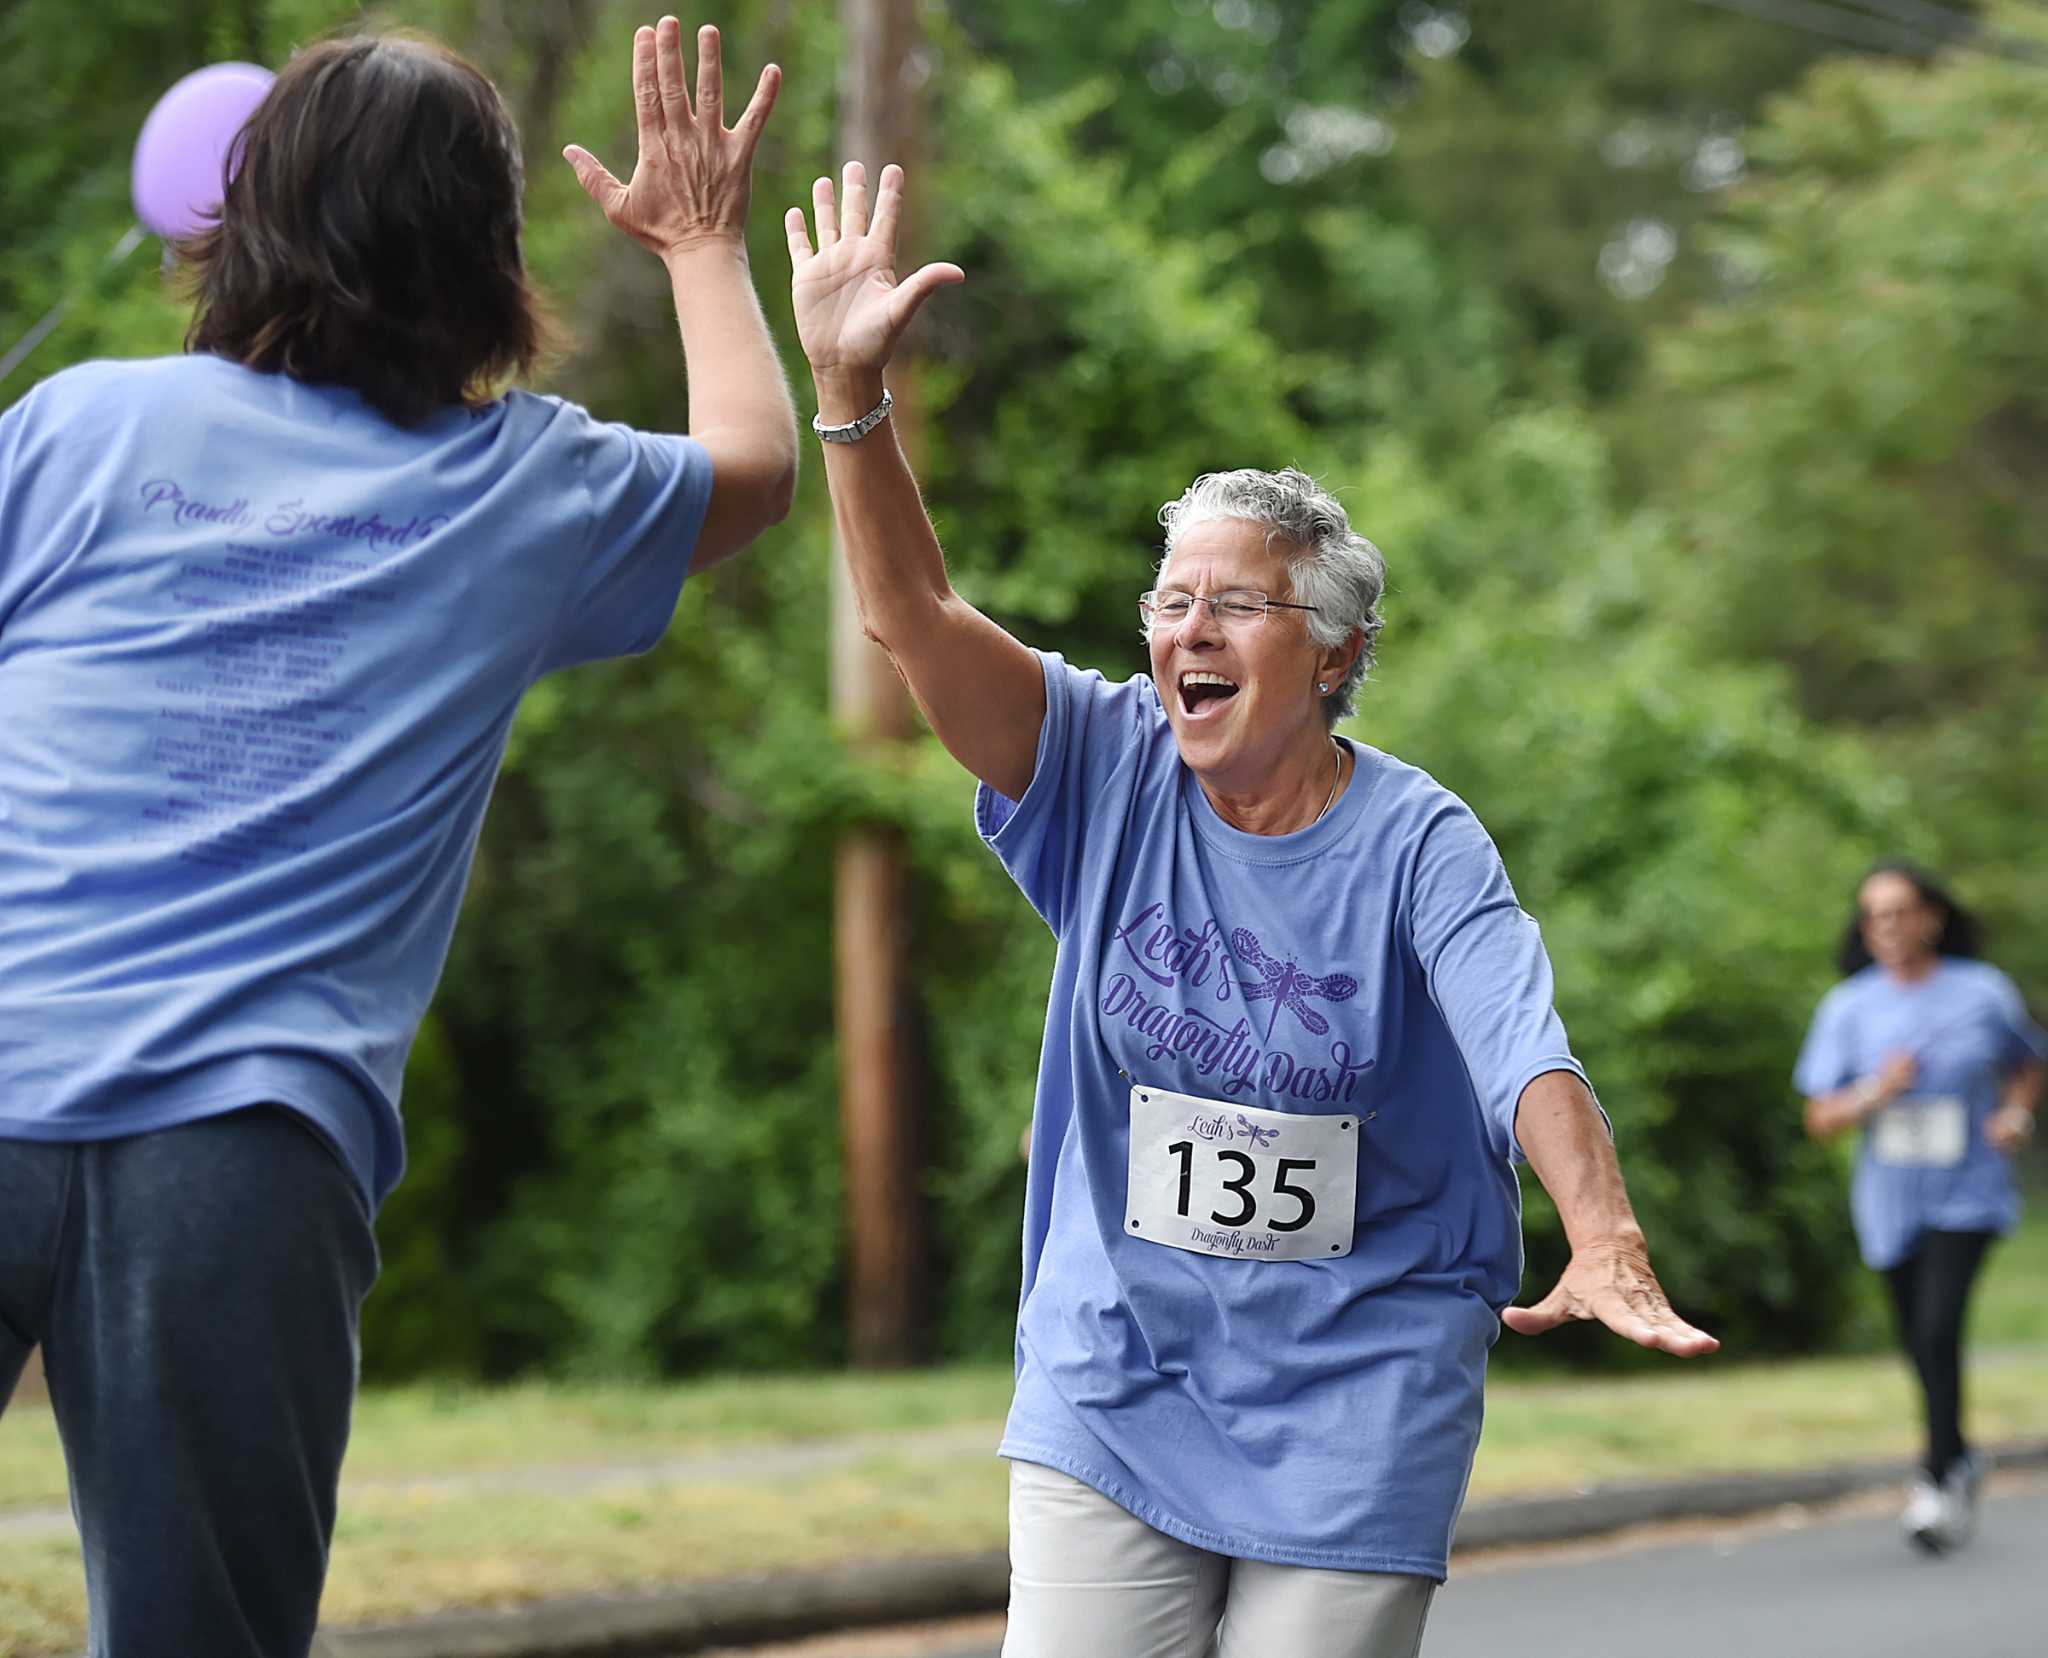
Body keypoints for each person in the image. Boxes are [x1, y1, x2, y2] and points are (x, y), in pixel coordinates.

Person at [784, 161, 1717, 1658]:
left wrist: (1600, 1229)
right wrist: (848, 393)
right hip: (1117, 1374)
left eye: (1234, 604)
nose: (1188, 631)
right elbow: (914, 616)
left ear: (1335, 655)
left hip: (1362, 1386)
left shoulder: (1418, 842)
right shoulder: (1100, 762)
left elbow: (1519, 1043)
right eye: (1170, 601)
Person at [0, 18, 793, 1655]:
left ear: (241, 220)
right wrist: (703, 245)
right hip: (242, 1153)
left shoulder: (74, 426)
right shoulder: (530, 492)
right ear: (487, 254)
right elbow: (758, 466)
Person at [1795, 862, 2045, 1554]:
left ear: (1932, 917)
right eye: (1874, 914)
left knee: (1938, 1328)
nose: (1887, 926)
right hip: (1890, 1199)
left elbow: (2028, 1061)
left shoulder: (1983, 992)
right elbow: (1820, 1118)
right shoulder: (1848, 1007)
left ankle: (1936, 1477)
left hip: (1968, 1192)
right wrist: (1875, 1092)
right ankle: (1959, 1452)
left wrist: (2017, 1115)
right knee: (1917, 1336)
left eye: (1900, 910)